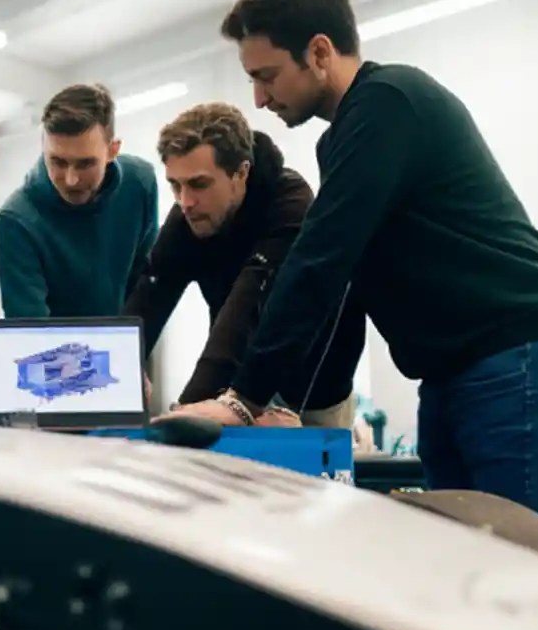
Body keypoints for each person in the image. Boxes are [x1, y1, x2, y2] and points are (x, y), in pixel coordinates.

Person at [162, 0, 538, 534]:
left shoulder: (389, 103)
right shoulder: (344, 138)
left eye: (265, 76)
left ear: (318, 53)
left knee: (526, 571)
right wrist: (283, 399)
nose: (260, 100)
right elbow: (342, 289)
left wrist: (243, 398)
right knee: (468, 570)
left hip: (514, 359)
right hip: (448, 376)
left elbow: (320, 260)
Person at [124, 102, 362, 426]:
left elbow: (248, 304)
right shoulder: (188, 215)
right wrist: (124, 362)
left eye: (199, 184)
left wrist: (188, 409)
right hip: (237, 378)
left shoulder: (290, 203)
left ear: (241, 173)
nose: (185, 201)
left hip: (313, 387)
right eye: (175, 185)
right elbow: (151, 292)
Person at [0, 84, 159, 318]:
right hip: (54, 351)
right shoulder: (17, 219)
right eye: (58, 162)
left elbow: (144, 288)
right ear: (43, 147)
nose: (71, 180)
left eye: (85, 164)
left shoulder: (140, 184)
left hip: (125, 341)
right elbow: (30, 328)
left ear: (113, 150)